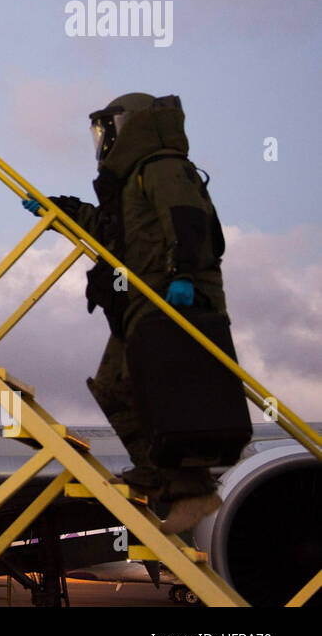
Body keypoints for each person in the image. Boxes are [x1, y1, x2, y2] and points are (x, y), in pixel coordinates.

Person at [22, 93, 230, 534]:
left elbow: (187, 219)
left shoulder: (162, 167)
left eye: (107, 130)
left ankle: (191, 490)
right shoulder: (131, 185)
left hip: (174, 301)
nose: (101, 142)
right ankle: (163, 479)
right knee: (116, 388)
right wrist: (62, 210)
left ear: (130, 126)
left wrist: (185, 276)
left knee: (166, 396)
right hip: (144, 305)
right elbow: (110, 233)